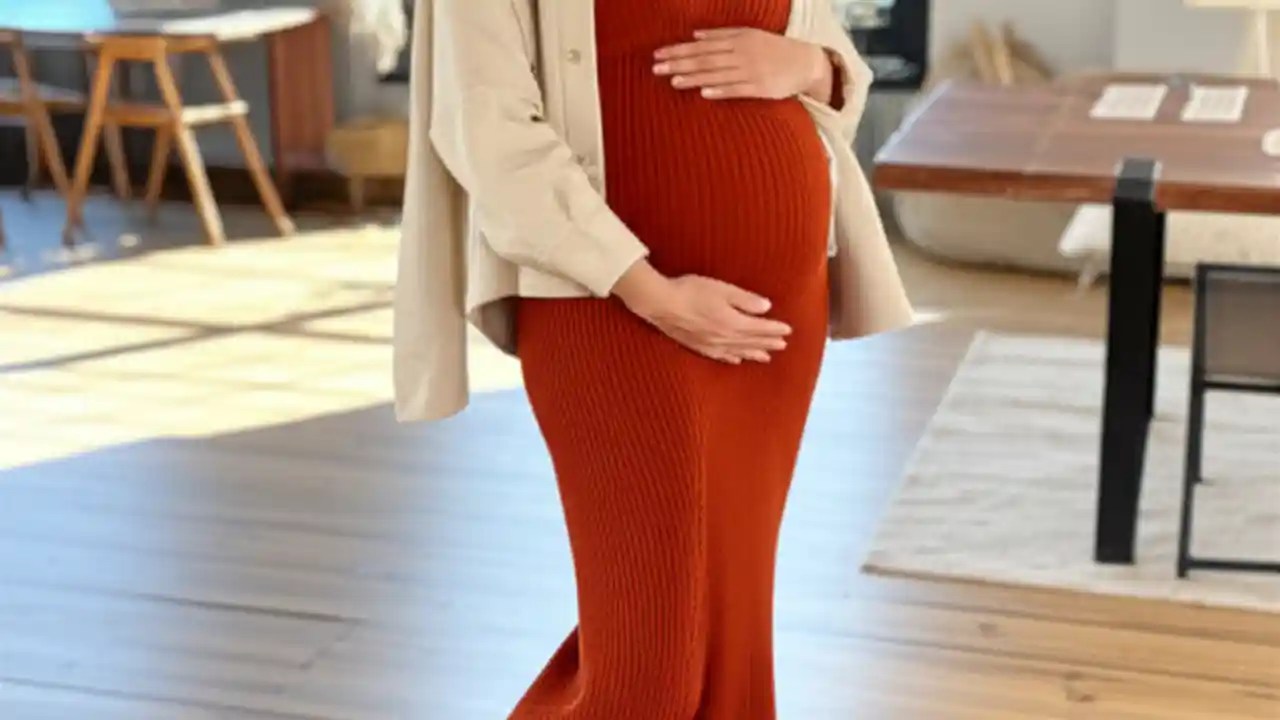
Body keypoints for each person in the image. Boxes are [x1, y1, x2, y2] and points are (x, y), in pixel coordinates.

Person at [393, 1, 913, 717]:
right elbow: (483, 127)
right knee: (646, 675)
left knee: (730, 652)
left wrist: (809, 67)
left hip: (775, 318)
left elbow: (830, 61)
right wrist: (650, 292)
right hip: (605, 303)